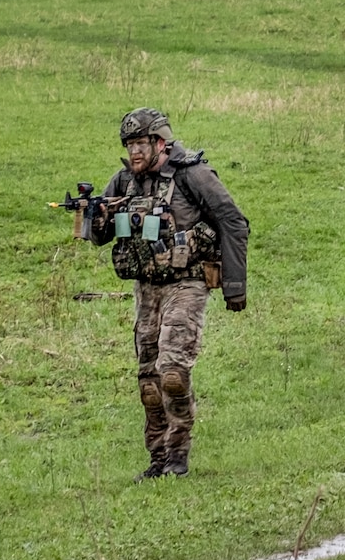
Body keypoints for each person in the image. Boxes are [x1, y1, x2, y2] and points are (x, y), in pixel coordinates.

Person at [84, 108, 249, 477]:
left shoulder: (193, 174)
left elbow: (234, 222)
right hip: (147, 289)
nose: (134, 152)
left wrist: (235, 286)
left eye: (140, 144)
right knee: (149, 380)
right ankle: (157, 459)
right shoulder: (124, 180)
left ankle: (177, 457)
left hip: (187, 283)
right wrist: (95, 217)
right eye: (129, 145)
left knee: (172, 372)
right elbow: (100, 235)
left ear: (160, 142)